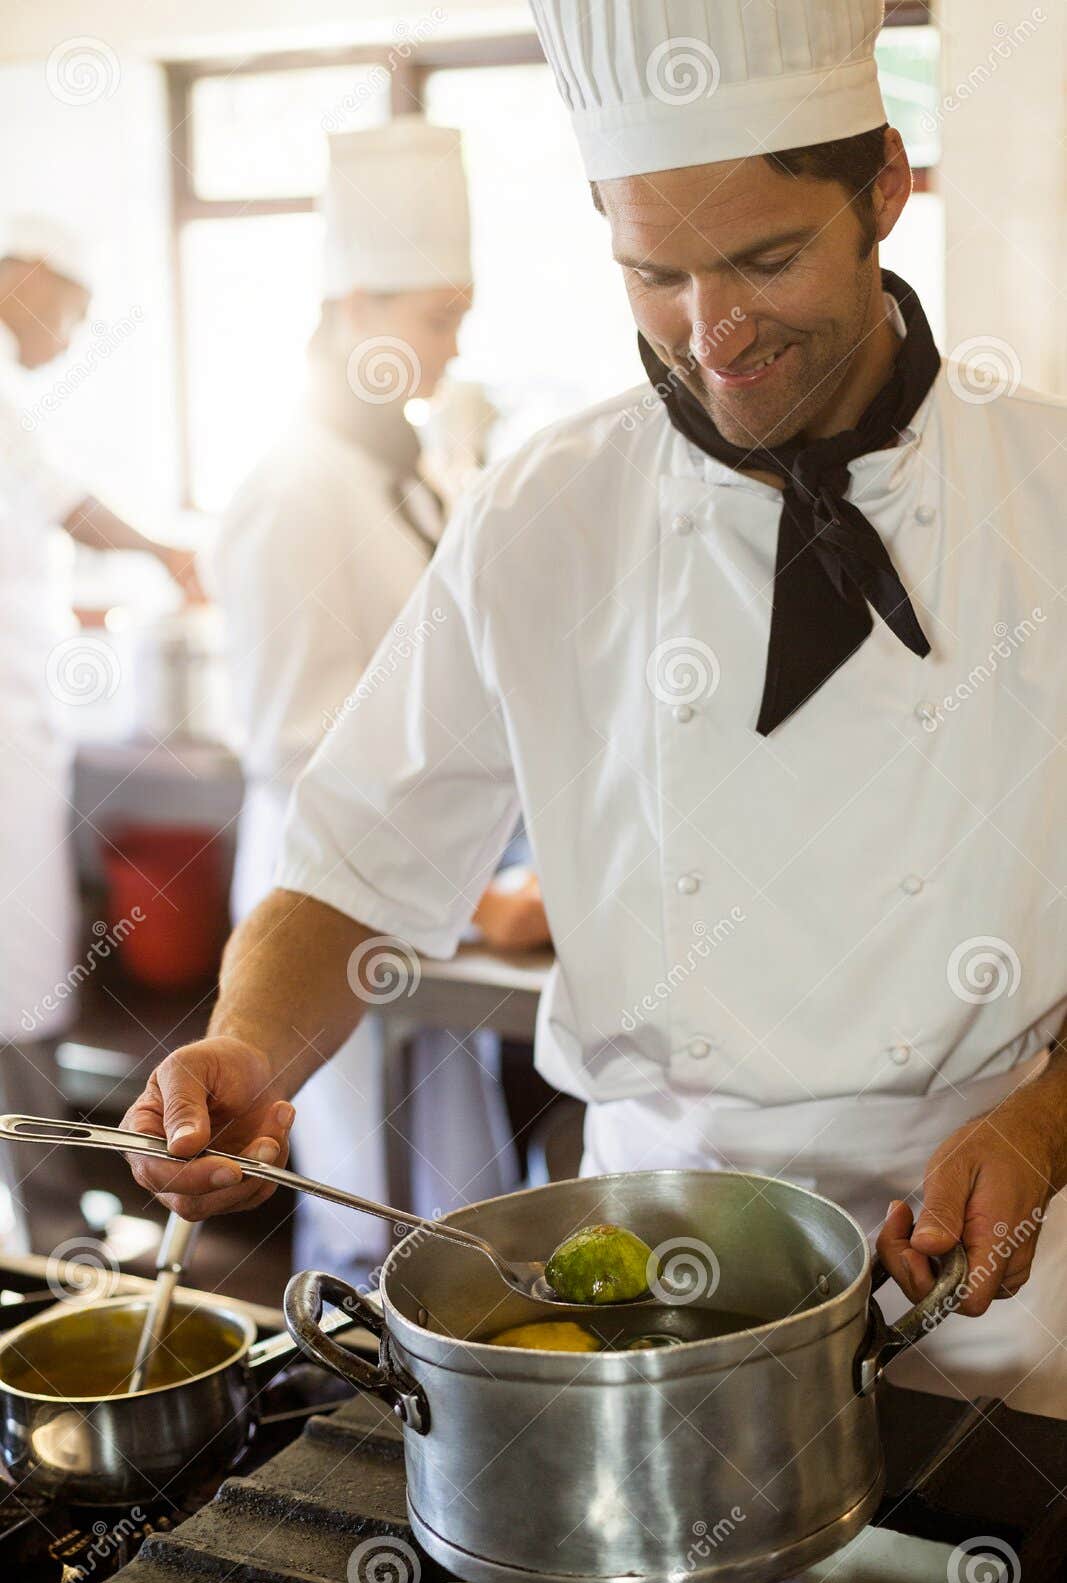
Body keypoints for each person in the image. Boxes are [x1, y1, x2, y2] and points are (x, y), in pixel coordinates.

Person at [122, 1, 1066, 1416]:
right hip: (637, 1268)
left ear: (883, 181)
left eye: (764, 257)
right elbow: (353, 865)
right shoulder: (542, 510)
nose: (714, 331)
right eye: (654, 274)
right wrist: (245, 1044)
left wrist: (1041, 1124)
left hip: (978, 1264)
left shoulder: (1044, 494)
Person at [211, 119, 544, 1280]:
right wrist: (475, 909)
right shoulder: (293, 489)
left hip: (414, 901)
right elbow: (312, 751)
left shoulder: (392, 468)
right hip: (331, 897)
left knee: (447, 1222)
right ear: (353, 308)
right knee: (367, 1216)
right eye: (433, 320)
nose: (450, 349)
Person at [0, 216, 200, 1250]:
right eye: (72, 313)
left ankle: (45, 1211)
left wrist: (60, 614)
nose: (70, 339)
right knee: (20, 970)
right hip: (5, 745)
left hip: (20, 729)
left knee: (25, 965)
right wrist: (167, 552)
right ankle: (47, 1226)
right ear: (27, 275)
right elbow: (67, 505)